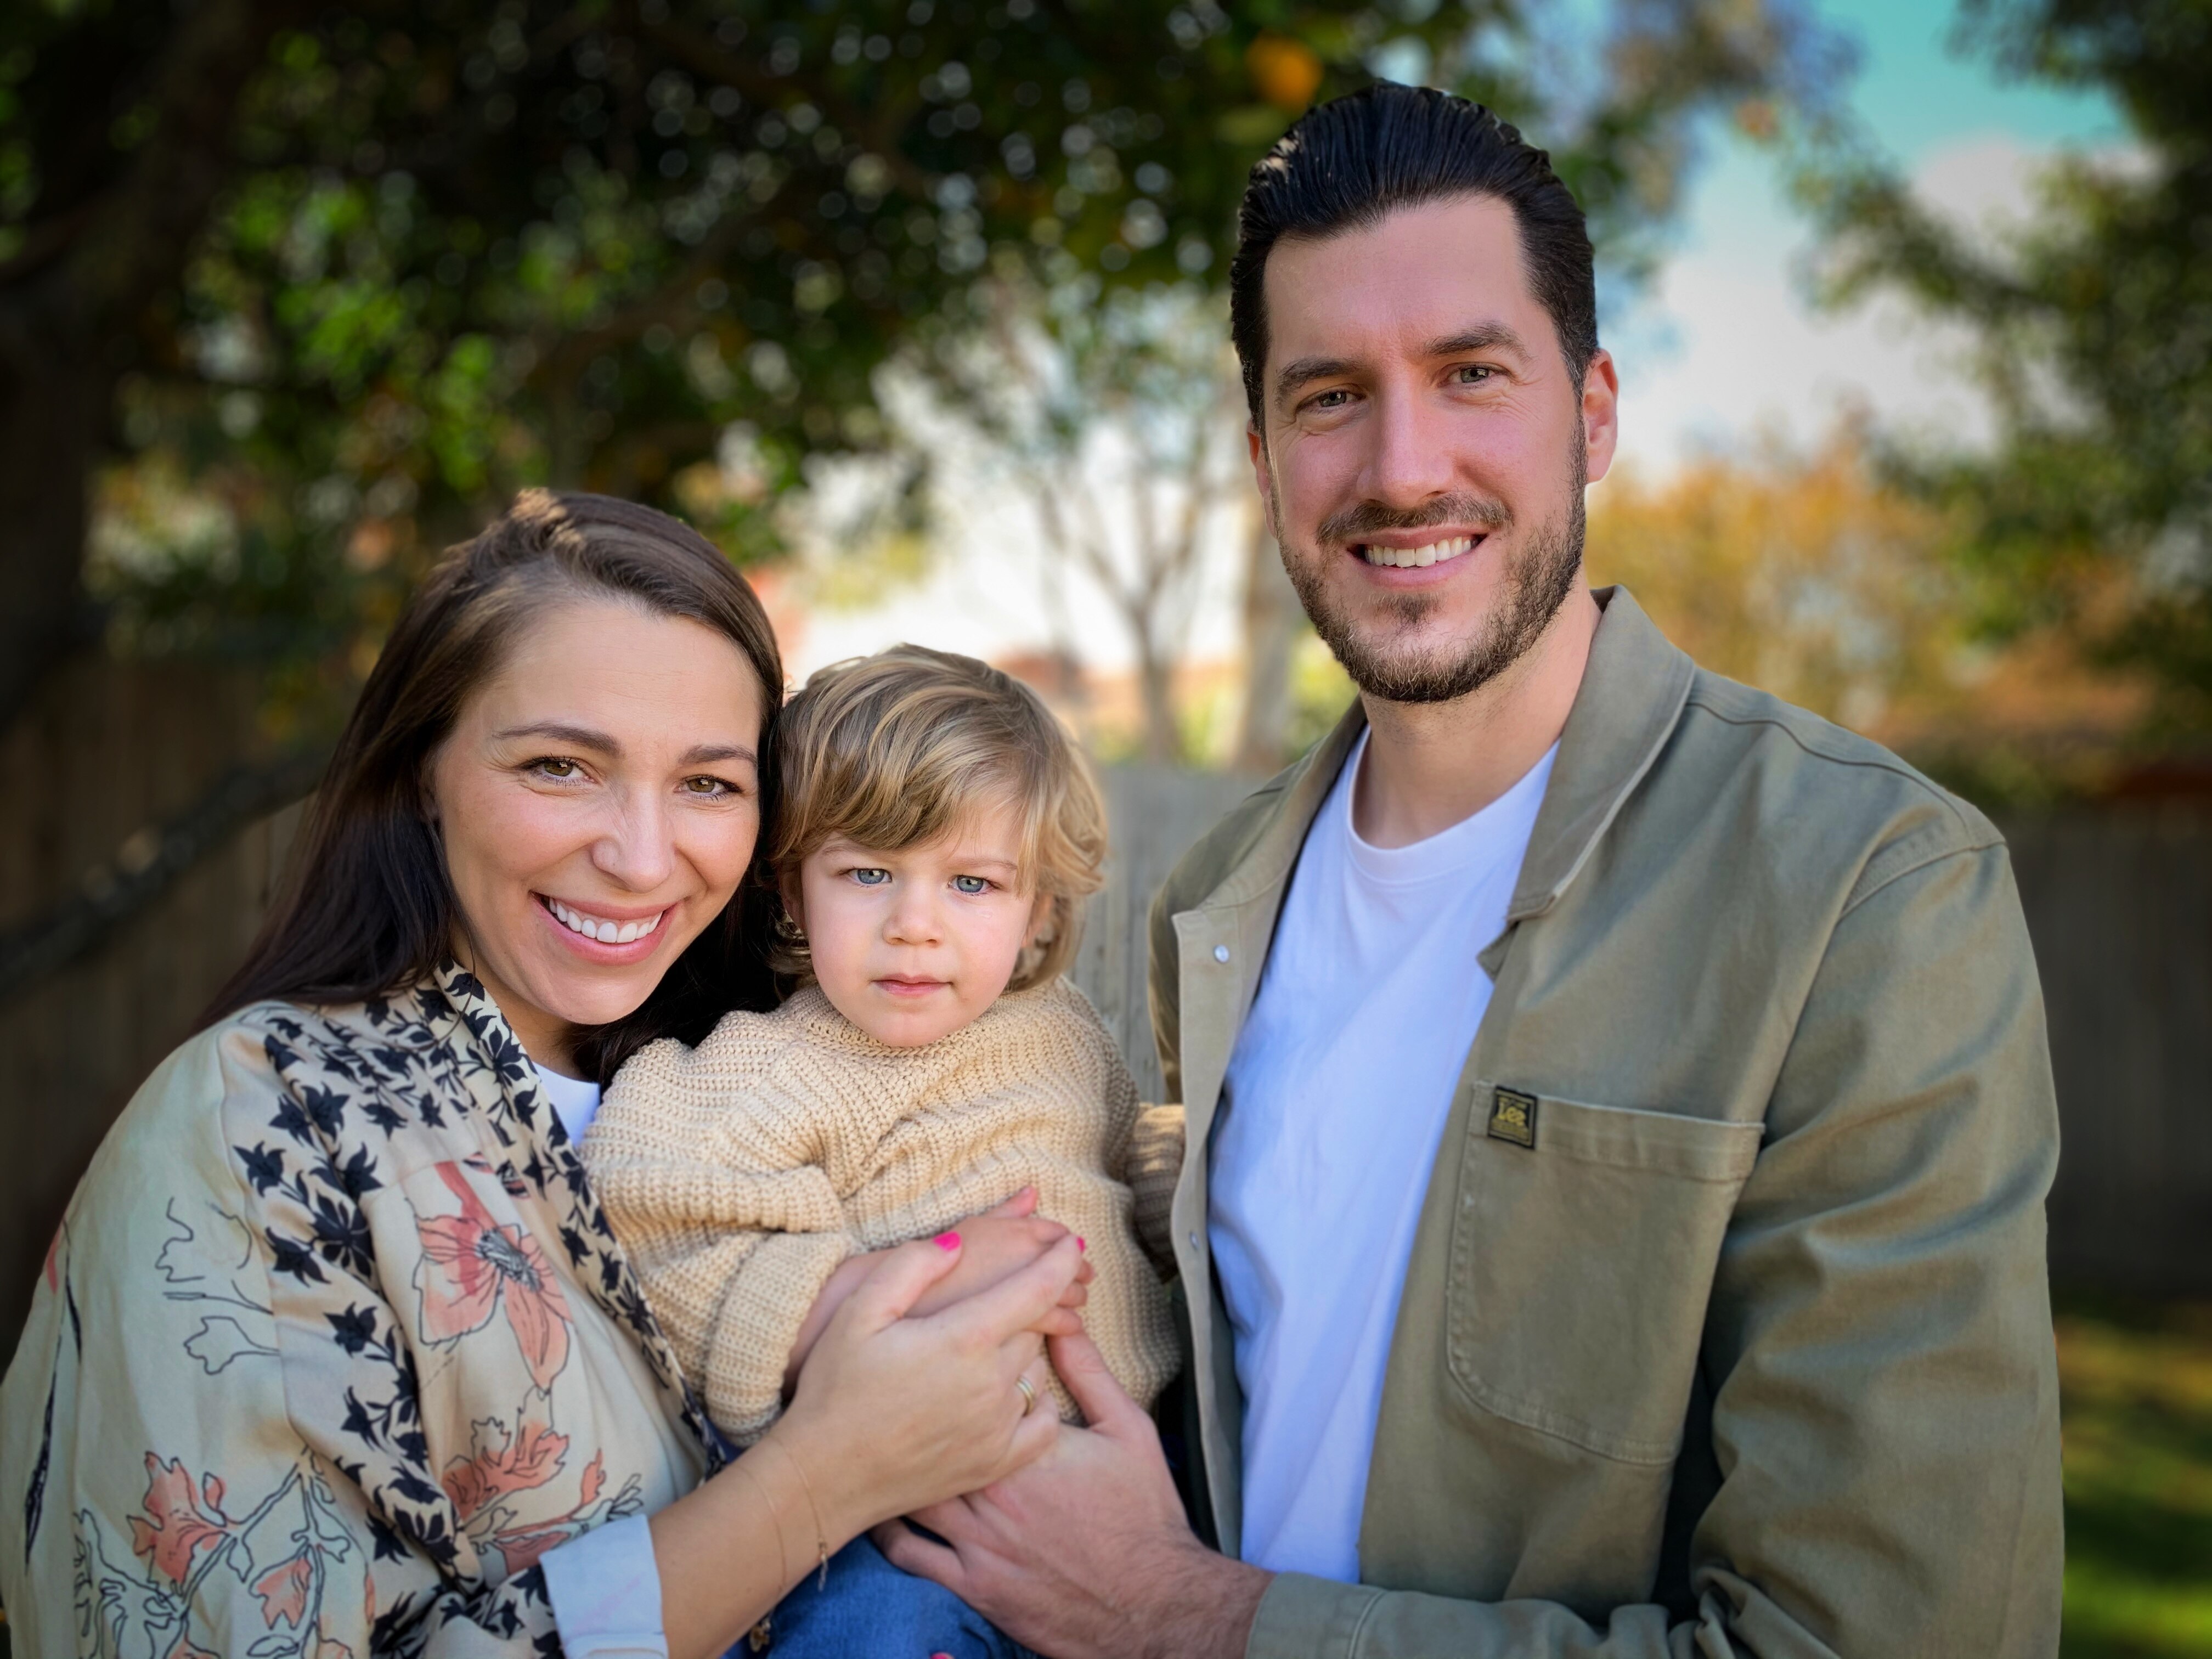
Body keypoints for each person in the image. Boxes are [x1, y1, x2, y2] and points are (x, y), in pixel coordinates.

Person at [874, 84, 2066, 1657]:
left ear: (1594, 409)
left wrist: (1186, 1620)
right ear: (1261, 454)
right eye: (1328, 397)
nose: (1402, 465)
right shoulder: (1214, 901)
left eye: (1470, 374)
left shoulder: (1870, 890)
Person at [0, 492, 1087, 1659]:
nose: (637, 854)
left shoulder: (781, 1078)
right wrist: (824, 1478)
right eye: (562, 766)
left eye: (708, 784)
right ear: (426, 772)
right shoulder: (261, 1126)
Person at [583, 643, 1183, 1659]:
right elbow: (658, 1209)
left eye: (974, 884)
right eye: (868, 873)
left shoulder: (1065, 1034)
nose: (916, 927)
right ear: (790, 892)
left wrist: (1194, 1202)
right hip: (898, 1538)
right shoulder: (774, 1069)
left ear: (1038, 909)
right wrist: (882, 1292)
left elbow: (1127, 1162)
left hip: (1121, 1498)